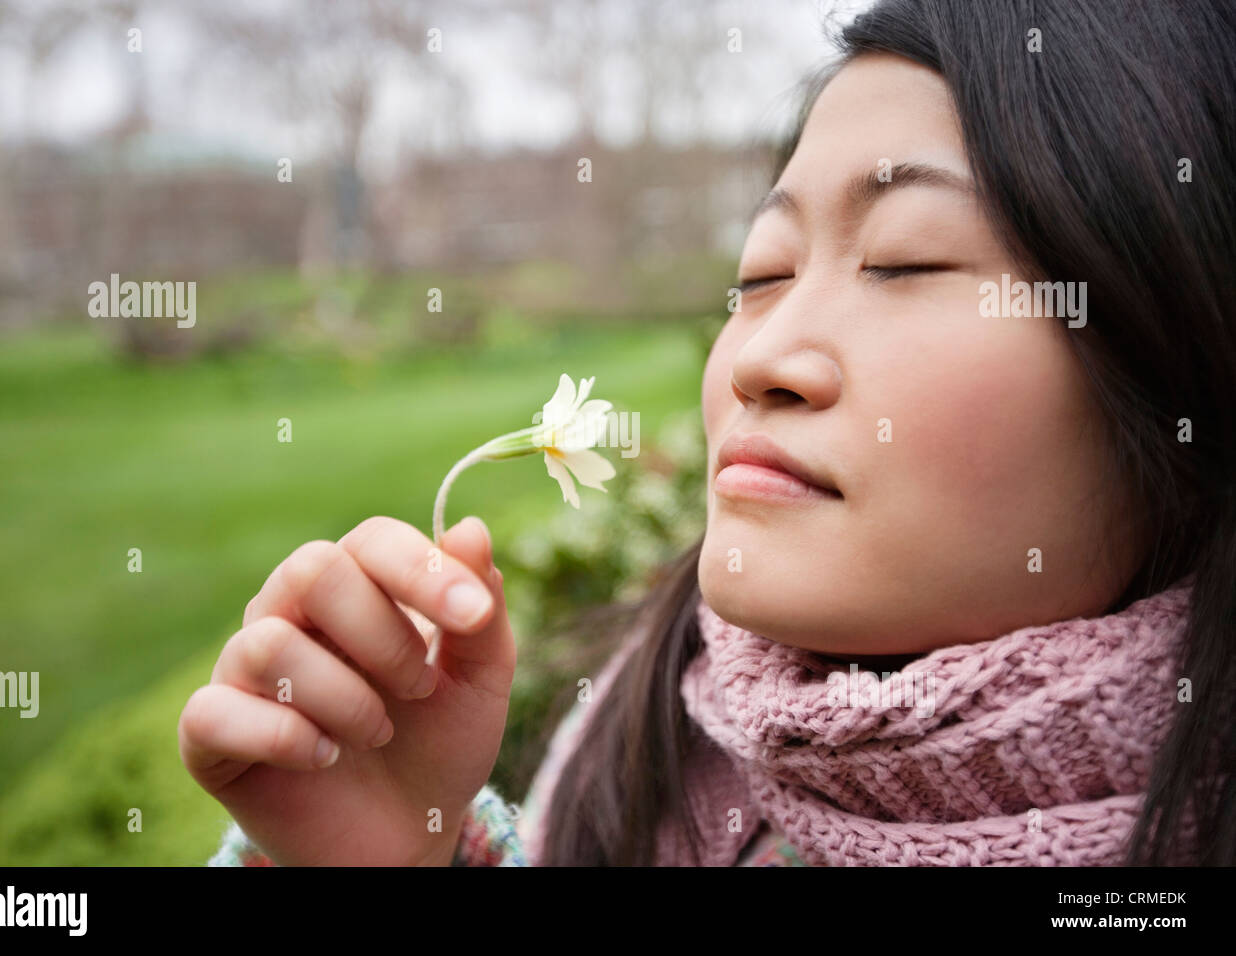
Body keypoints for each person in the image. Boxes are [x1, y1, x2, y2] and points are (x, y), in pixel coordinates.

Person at [183, 0, 1236, 866]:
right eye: (759, 277)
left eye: (907, 259)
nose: (755, 359)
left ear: (1176, 344)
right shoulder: (639, 754)